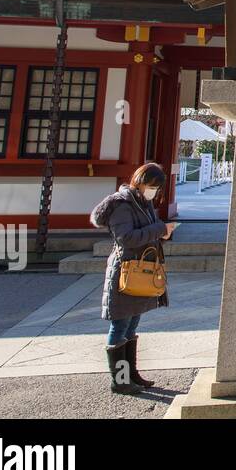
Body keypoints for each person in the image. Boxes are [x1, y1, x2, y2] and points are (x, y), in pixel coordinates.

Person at [91, 162, 175, 394]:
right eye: (152, 186)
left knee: (132, 324)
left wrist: (162, 231)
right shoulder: (122, 205)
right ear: (140, 181)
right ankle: (119, 379)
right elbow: (126, 238)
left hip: (142, 269)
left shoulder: (142, 203)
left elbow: (145, 232)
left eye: (157, 188)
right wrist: (159, 229)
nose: (154, 191)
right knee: (120, 324)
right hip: (126, 270)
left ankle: (131, 373)